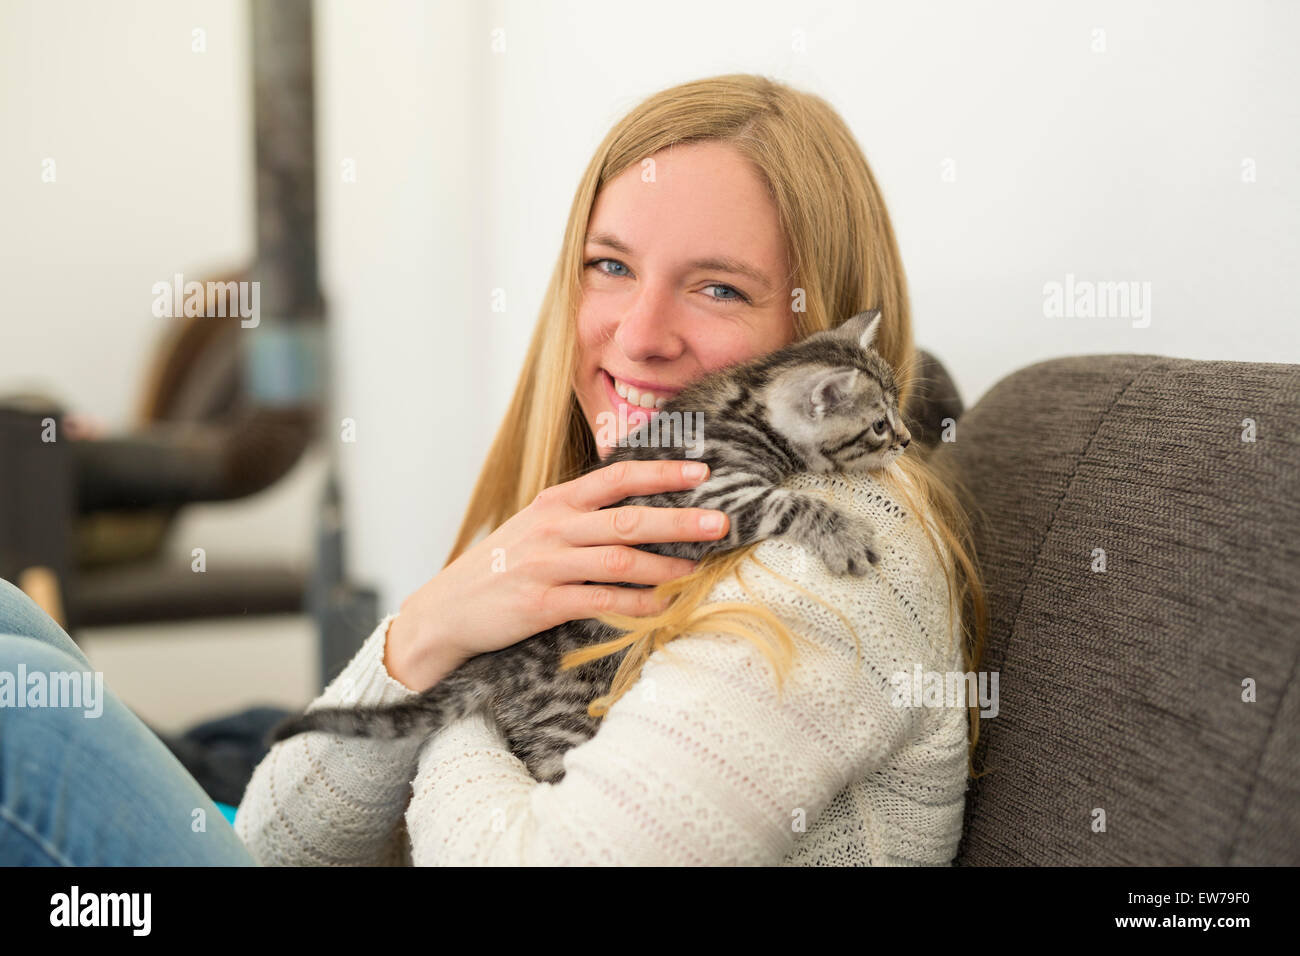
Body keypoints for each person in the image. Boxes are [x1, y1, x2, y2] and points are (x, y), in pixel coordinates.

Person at [0, 73, 986, 867]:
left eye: (718, 287)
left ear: (814, 335)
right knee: (14, 629)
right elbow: (275, 842)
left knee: (18, 717)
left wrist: (469, 667)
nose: (636, 336)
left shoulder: (830, 570)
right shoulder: (615, 503)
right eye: (609, 266)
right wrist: (426, 629)